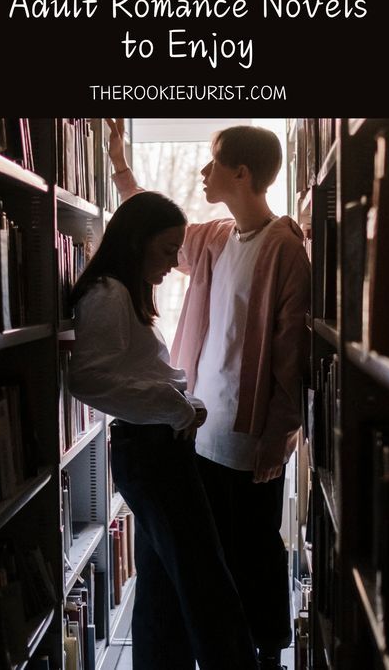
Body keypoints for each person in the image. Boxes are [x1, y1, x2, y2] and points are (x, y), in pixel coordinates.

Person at [108, 118, 311, 670]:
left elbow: (291, 357)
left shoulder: (285, 248)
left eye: (213, 162)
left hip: (250, 444)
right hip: (200, 432)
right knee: (206, 568)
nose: (203, 172)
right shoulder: (218, 238)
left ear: (240, 173)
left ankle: (264, 654)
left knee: (253, 555)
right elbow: (157, 226)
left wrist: (278, 438)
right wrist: (122, 168)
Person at [68, 190, 259, 670]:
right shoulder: (109, 294)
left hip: (154, 450)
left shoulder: (123, 293)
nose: (175, 263)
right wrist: (176, 409)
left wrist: (181, 405)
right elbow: (90, 379)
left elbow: (144, 375)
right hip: (152, 453)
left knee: (163, 589)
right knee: (206, 583)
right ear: (136, 243)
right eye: (167, 250)